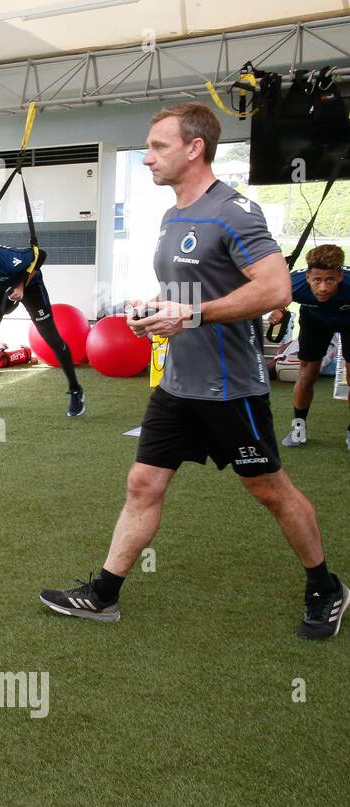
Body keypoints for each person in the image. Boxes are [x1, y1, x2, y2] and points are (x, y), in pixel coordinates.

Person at [40, 102, 346, 640]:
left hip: (231, 387)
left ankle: (326, 587)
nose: (147, 158)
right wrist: (155, 310)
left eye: (158, 147)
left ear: (194, 148)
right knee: (143, 483)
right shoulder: (172, 215)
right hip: (178, 383)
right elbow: (187, 292)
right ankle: (103, 595)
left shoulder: (235, 212)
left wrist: (194, 314)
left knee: (269, 490)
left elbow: (275, 289)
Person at [0, 232, 85, 415]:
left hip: (30, 286)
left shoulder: (10, 259)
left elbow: (40, 255)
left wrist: (21, 286)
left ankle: (76, 390)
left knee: (52, 338)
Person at [265, 243, 350, 450]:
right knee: (307, 373)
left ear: (340, 276)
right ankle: (298, 427)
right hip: (315, 321)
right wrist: (279, 310)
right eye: (317, 280)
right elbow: (279, 298)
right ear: (307, 277)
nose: (323, 288)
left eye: (330, 280)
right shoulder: (293, 283)